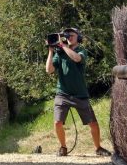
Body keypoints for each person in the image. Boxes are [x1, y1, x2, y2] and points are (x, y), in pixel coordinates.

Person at [45, 27, 112, 157]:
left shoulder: (81, 51)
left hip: (80, 94)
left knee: (92, 123)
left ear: (78, 37)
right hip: (62, 93)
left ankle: (98, 148)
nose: (69, 36)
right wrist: (51, 50)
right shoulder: (60, 53)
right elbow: (49, 70)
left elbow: (76, 59)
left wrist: (63, 46)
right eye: (67, 34)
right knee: (57, 122)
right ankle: (63, 147)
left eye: (72, 34)